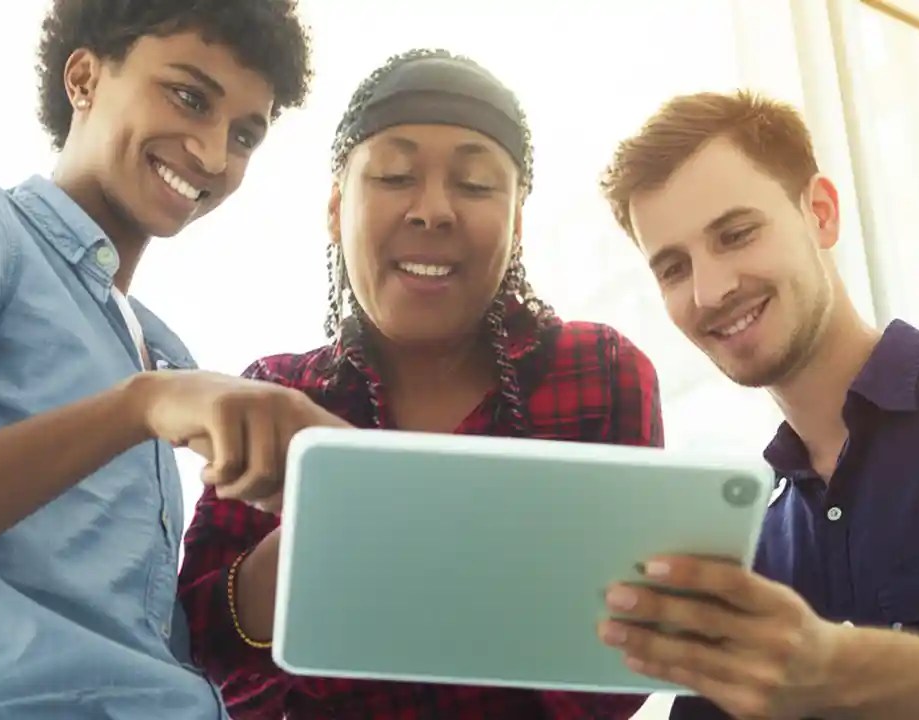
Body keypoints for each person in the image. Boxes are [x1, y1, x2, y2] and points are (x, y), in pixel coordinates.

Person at [0, 2, 331, 719]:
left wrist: (323, 512)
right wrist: (138, 407)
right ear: (83, 77)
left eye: (244, 134)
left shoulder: (157, 350)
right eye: (188, 96)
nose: (211, 154)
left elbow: (120, 638)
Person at [178, 48, 664, 719]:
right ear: (334, 208)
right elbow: (205, 655)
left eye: (475, 185)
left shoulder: (599, 370)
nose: (433, 210)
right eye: (395, 175)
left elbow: (621, 672)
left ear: (518, 223)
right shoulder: (277, 392)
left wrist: (405, 530)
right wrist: (321, 525)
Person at [595, 90, 919, 719]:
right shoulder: (746, 560)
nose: (711, 290)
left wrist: (837, 671)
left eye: (736, 234)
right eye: (673, 269)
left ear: (820, 213)